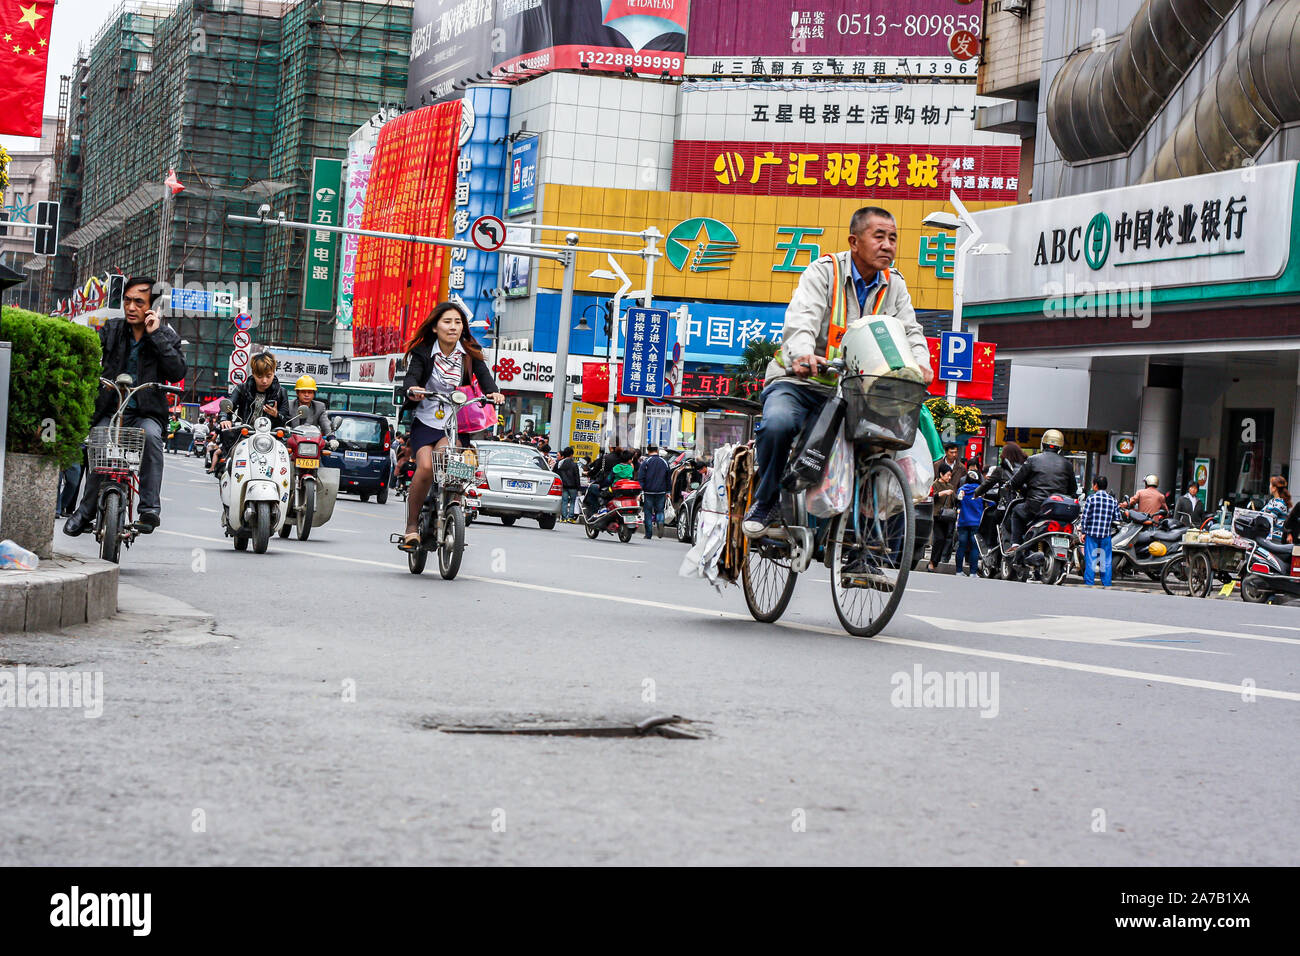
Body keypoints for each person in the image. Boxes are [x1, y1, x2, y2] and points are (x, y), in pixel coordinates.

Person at [745, 205, 933, 536]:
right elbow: (802, 317)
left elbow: (911, 331)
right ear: (854, 241)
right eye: (879, 237)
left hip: (855, 391)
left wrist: (922, 363)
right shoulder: (823, 272)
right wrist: (802, 354)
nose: (888, 245)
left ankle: (862, 542)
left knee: (882, 445)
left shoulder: (895, 285)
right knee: (778, 424)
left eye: (893, 238)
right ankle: (767, 499)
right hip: (802, 382)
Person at [64, 277, 186, 537]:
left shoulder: (166, 336)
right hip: (110, 409)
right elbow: (92, 357)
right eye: (127, 300)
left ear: (152, 307)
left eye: (138, 302)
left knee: (152, 438)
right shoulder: (111, 329)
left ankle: (150, 509)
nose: (131, 307)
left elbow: (176, 372)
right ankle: (84, 511)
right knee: (99, 440)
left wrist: (156, 336)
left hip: (146, 413)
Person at [397, 302, 504, 550]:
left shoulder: (469, 351)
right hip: (426, 420)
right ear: (435, 327)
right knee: (425, 466)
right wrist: (413, 390)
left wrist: (494, 392)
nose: (453, 327)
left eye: (457, 322)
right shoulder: (423, 351)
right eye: (447, 322)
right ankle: (412, 526)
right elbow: (412, 377)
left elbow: (485, 376)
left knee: (448, 458)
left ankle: (449, 505)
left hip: (456, 421)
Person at [1004, 429, 1076, 547]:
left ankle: (1015, 544)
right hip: (1059, 510)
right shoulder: (1067, 464)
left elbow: (1016, 482)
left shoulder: (1033, 460)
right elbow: (1073, 490)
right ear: (1060, 447)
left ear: (1043, 444)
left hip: (1036, 507)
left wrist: (1012, 486)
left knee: (1017, 511)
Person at [1078, 475, 1120, 587]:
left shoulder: (1091, 499)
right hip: (1106, 535)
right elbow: (1117, 518)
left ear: (1095, 485)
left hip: (1092, 534)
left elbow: (1085, 517)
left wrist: (1083, 532)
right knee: (1105, 560)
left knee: (1091, 558)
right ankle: (1106, 583)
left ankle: (1089, 582)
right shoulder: (1113, 500)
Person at [928, 462, 961, 571]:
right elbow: (931, 496)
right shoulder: (935, 484)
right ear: (941, 474)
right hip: (937, 515)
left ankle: (934, 562)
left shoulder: (950, 486)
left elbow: (954, 501)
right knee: (938, 538)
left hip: (948, 517)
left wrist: (959, 498)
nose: (949, 477)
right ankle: (932, 563)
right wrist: (943, 493)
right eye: (947, 475)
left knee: (944, 539)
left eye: (950, 475)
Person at [953, 469, 985, 576]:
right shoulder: (981, 490)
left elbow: (957, 501)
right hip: (976, 522)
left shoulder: (962, 489)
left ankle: (958, 571)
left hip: (963, 521)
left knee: (961, 546)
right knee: (974, 547)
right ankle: (973, 572)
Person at [636, 444, 670, 539]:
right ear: (657, 450)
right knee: (660, 510)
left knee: (648, 512)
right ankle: (660, 522)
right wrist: (668, 491)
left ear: (648, 450)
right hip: (661, 491)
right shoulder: (664, 462)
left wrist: (640, 492)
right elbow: (668, 478)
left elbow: (641, 478)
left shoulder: (646, 462)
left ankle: (648, 534)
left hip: (648, 491)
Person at [555, 447, 582, 522]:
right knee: (572, 501)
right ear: (571, 454)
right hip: (573, 486)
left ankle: (564, 518)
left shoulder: (560, 463)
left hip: (564, 486)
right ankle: (570, 517)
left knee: (564, 501)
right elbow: (577, 476)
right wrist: (578, 487)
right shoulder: (574, 464)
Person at [1262, 475, 1292, 542]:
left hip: (1273, 539)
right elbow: (1261, 514)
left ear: (1274, 488)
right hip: (1267, 537)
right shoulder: (1272, 501)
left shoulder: (1280, 504)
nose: (1269, 487)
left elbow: (1270, 520)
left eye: (1270, 485)